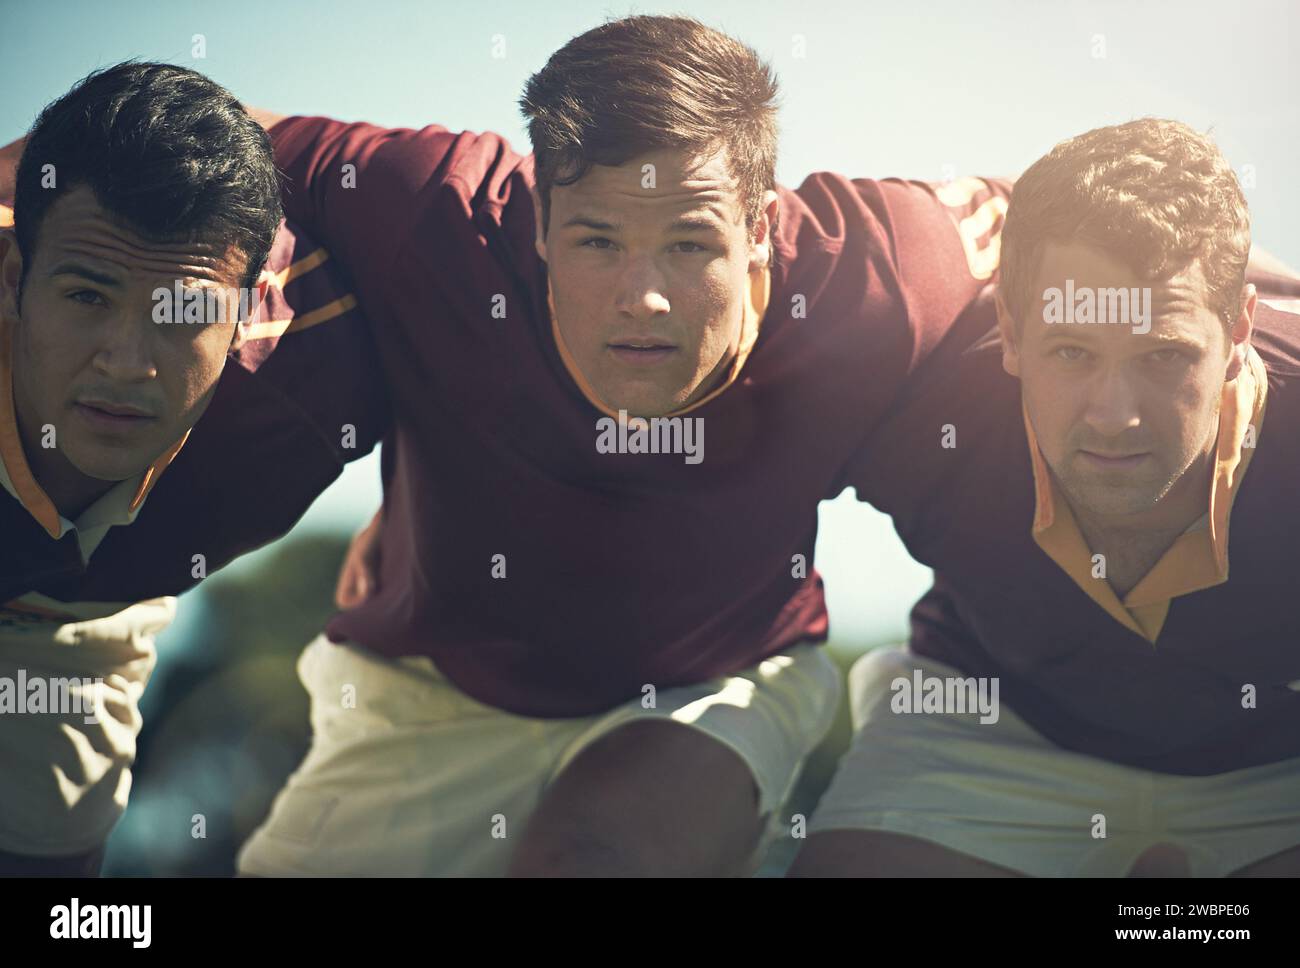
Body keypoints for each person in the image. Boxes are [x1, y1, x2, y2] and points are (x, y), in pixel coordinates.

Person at [230, 13, 1011, 876]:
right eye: (598, 241)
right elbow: (127, 145)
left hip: (712, 683)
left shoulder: (885, 266)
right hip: (436, 684)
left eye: (689, 243)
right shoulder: (437, 206)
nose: (644, 297)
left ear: (757, 225)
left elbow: (1096, 216)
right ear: (537, 219)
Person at [788, 119, 1300, 877]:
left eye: (1164, 355)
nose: (1114, 415)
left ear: (1238, 330)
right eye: (1072, 352)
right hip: (992, 721)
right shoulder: (910, 390)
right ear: (1012, 332)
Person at [0, 62, 386, 873]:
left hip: (70, 610)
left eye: (184, 312)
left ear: (244, 316)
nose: (128, 362)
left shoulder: (327, 376)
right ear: (15, 280)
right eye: (85, 297)